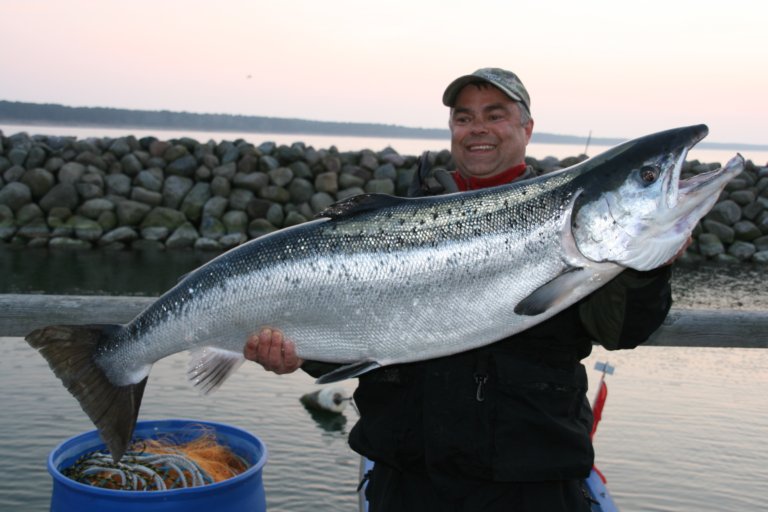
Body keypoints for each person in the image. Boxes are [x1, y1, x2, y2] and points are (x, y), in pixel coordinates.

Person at [244, 68, 676, 511]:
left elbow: (623, 330)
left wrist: (646, 268)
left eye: (496, 114)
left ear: (526, 128)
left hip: (531, 478)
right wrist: (297, 352)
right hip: (408, 478)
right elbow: (353, 333)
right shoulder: (399, 221)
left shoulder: (570, 223)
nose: (478, 129)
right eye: (464, 118)